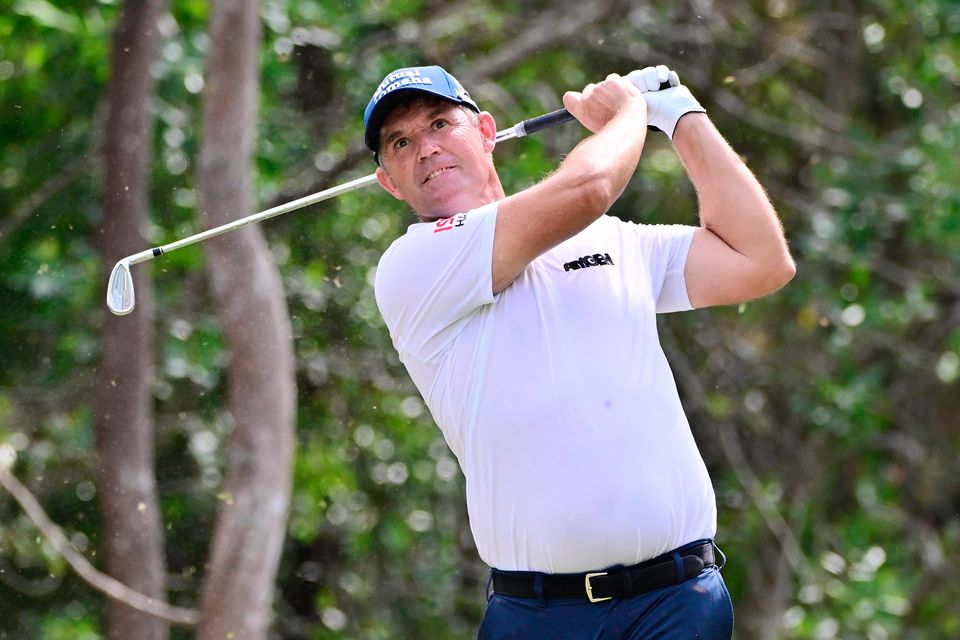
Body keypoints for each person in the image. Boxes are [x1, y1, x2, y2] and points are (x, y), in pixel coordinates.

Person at [364, 64, 795, 639]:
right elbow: (589, 188)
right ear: (388, 181)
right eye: (401, 142)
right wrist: (630, 114)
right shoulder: (412, 267)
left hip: (678, 602)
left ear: (487, 132)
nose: (426, 148)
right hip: (541, 617)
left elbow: (760, 260)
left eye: (441, 123)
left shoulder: (614, 240)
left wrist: (682, 116)